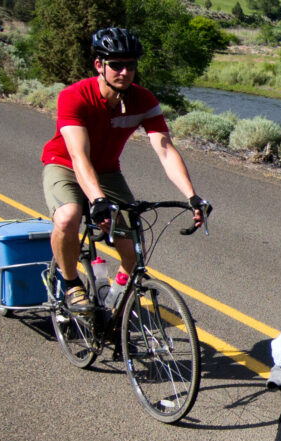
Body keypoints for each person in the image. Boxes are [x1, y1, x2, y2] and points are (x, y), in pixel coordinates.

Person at [40, 27, 209, 315]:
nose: (124, 72)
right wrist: (97, 201)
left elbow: (165, 149)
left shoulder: (143, 100)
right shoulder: (75, 96)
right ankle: (70, 285)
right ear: (99, 65)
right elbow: (79, 156)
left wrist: (192, 197)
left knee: (133, 250)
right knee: (68, 217)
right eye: (116, 65)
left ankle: (114, 298)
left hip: (107, 172)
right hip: (65, 165)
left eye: (130, 65)